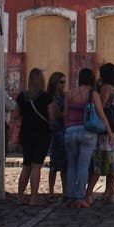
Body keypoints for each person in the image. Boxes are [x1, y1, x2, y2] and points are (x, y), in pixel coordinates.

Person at [64, 68, 113, 208]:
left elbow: (66, 114)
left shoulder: (70, 93)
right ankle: (80, 197)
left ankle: (71, 195)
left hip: (70, 131)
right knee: (83, 166)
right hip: (87, 132)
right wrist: (110, 133)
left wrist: (66, 129)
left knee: (72, 165)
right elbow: (101, 115)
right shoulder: (92, 94)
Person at [86, 63, 114, 204]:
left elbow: (101, 108)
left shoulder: (107, 88)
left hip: (107, 131)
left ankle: (89, 194)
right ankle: (110, 194)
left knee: (99, 163)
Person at [16, 68, 53, 207]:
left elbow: (15, 115)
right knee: (36, 166)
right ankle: (33, 198)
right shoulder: (46, 97)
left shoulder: (22, 96)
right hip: (42, 134)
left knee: (26, 165)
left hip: (26, 133)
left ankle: (20, 196)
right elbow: (52, 116)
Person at [46, 71, 67, 202]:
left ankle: (65, 190)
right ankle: (51, 190)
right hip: (54, 131)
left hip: (63, 131)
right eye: (61, 82)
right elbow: (54, 115)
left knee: (65, 164)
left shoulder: (64, 96)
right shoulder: (50, 97)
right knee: (53, 164)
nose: (64, 85)